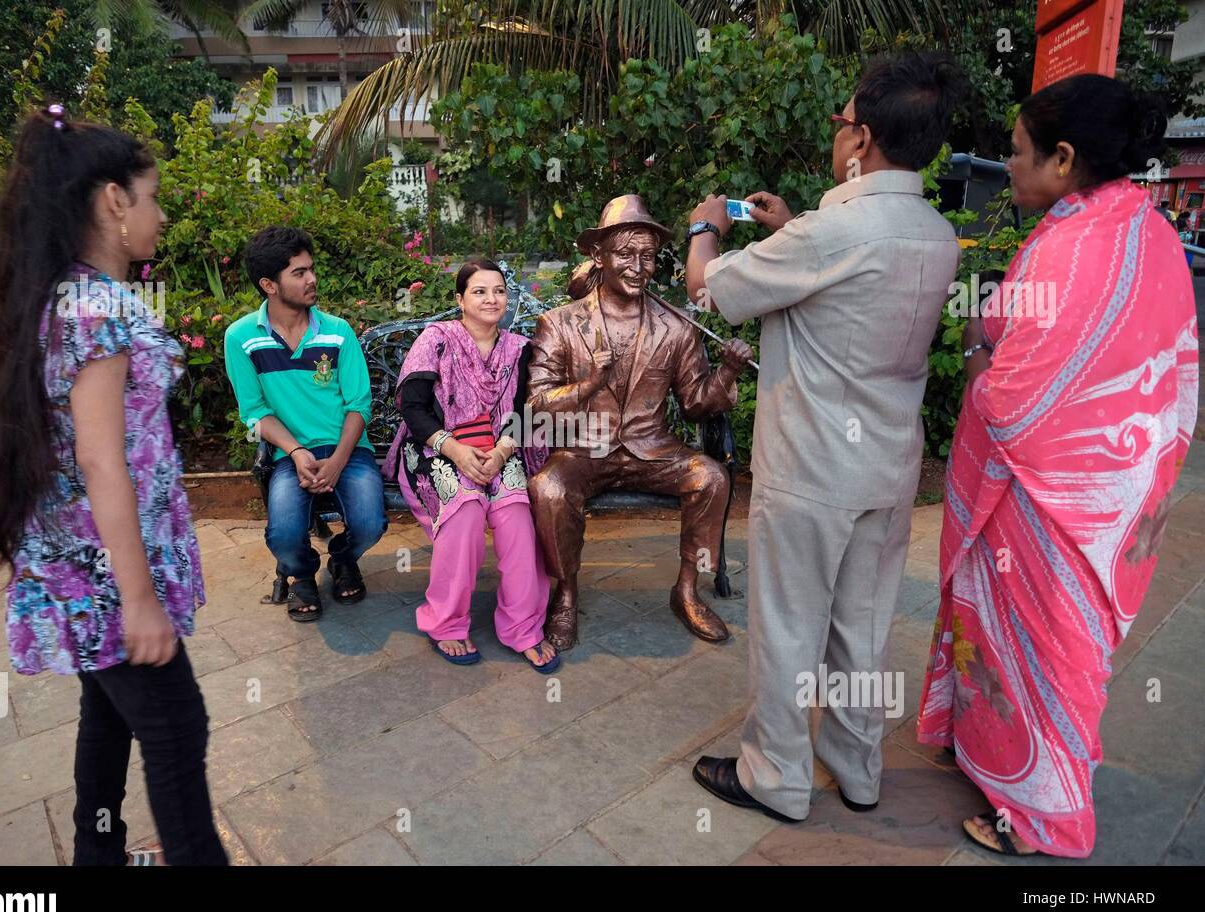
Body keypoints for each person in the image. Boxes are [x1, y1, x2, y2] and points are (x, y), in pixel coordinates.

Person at [916, 74, 1197, 857]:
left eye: (1016, 153)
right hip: (1116, 490)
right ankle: (983, 753)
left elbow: (1013, 405)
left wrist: (976, 340)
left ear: (1064, 159)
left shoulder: (1074, 251)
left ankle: (1046, 818)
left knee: (1048, 651)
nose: (1007, 165)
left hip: (1052, 501)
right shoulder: (1143, 227)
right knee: (1027, 641)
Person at [685, 52, 964, 822]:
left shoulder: (828, 232)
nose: (837, 132)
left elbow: (709, 287)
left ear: (864, 137)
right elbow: (847, 272)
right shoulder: (935, 233)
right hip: (888, 465)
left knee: (787, 627)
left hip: (811, 469)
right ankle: (857, 765)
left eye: (842, 122)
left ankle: (773, 776)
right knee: (863, 628)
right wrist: (789, 227)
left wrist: (705, 229)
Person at [0, 105, 226, 865]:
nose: (161, 215)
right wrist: (140, 598)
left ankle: (98, 853)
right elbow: (101, 460)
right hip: (105, 575)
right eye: (152, 197)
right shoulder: (95, 309)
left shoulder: (64, 297)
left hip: (80, 566)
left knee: (108, 715)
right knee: (176, 729)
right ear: (113, 201)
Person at [526, 195, 755, 650]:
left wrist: (726, 371)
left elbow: (694, 404)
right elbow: (536, 408)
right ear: (599, 255)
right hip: (583, 450)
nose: (637, 266)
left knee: (710, 477)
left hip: (653, 450)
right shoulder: (561, 323)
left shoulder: (676, 327)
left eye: (647, 255)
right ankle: (566, 593)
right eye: (625, 253)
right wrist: (588, 385)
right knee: (549, 488)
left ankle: (687, 590)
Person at [384, 259, 559, 671]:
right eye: (479, 291)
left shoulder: (519, 349)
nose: (491, 298)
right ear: (459, 299)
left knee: (516, 513)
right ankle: (446, 622)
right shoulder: (437, 339)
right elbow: (412, 407)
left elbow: (525, 411)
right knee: (464, 509)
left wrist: (500, 453)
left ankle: (523, 627)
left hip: (501, 446)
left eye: (498, 290)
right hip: (434, 447)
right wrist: (457, 451)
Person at [224, 226, 388, 621]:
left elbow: (358, 405)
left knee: (369, 523)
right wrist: (296, 452)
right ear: (269, 285)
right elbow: (255, 411)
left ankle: (343, 559)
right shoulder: (242, 337)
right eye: (298, 273)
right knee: (282, 534)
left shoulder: (336, 332)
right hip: (287, 455)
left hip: (348, 450)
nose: (311, 279)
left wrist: (336, 462)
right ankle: (300, 574)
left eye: (311, 269)